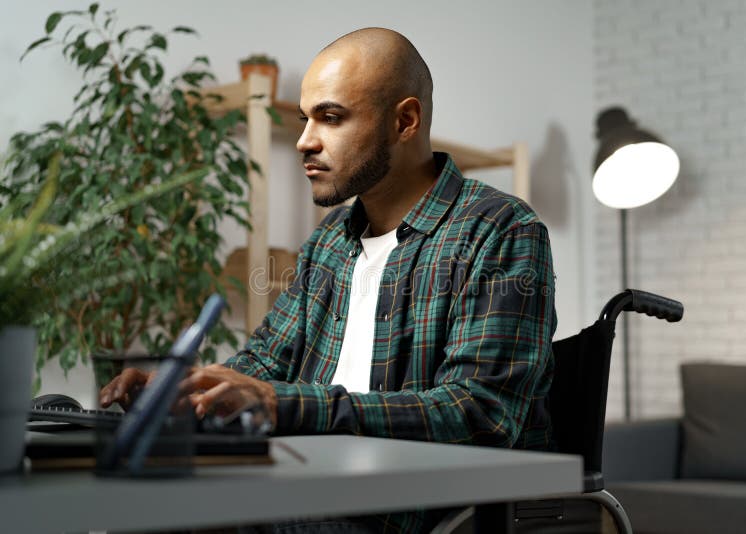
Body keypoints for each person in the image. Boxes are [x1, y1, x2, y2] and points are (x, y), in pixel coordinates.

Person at [101, 27, 557, 534]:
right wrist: (188, 389)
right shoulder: (330, 241)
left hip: (409, 513)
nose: (304, 141)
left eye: (331, 117)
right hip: (304, 488)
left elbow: (481, 414)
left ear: (405, 121)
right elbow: (263, 362)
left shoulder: (500, 230)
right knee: (132, 504)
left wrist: (282, 404)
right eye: (305, 119)